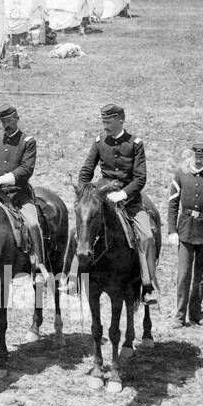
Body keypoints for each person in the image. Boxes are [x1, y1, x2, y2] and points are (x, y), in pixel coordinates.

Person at [73, 103, 158, 303]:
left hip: (129, 201)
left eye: (109, 122)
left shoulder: (135, 143)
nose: (105, 126)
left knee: (146, 236)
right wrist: (85, 193)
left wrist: (123, 194)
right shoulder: (99, 141)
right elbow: (86, 171)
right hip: (102, 199)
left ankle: (148, 285)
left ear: (120, 120)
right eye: (103, 121)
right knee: (77, 229)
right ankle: (72, 278)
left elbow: (140, 178)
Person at [0, 104, 47, 282]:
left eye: (9, 120)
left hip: (19, 195)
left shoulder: (28, 141)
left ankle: (39, 266)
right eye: (3, 122)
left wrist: (4, 178)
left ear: (17, 118)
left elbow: (26, 169)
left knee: (32, 224)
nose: (6, 124)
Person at [166, 142, 203, 328]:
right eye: (196, 157)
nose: (199, 160)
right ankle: (179, 316)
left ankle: (196, 314)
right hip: (185, 230)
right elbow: (172, 205)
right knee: (183, 275)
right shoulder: (180, 176)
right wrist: (172, 230)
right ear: (191, 157)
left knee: (200, 276)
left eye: (202, 157)